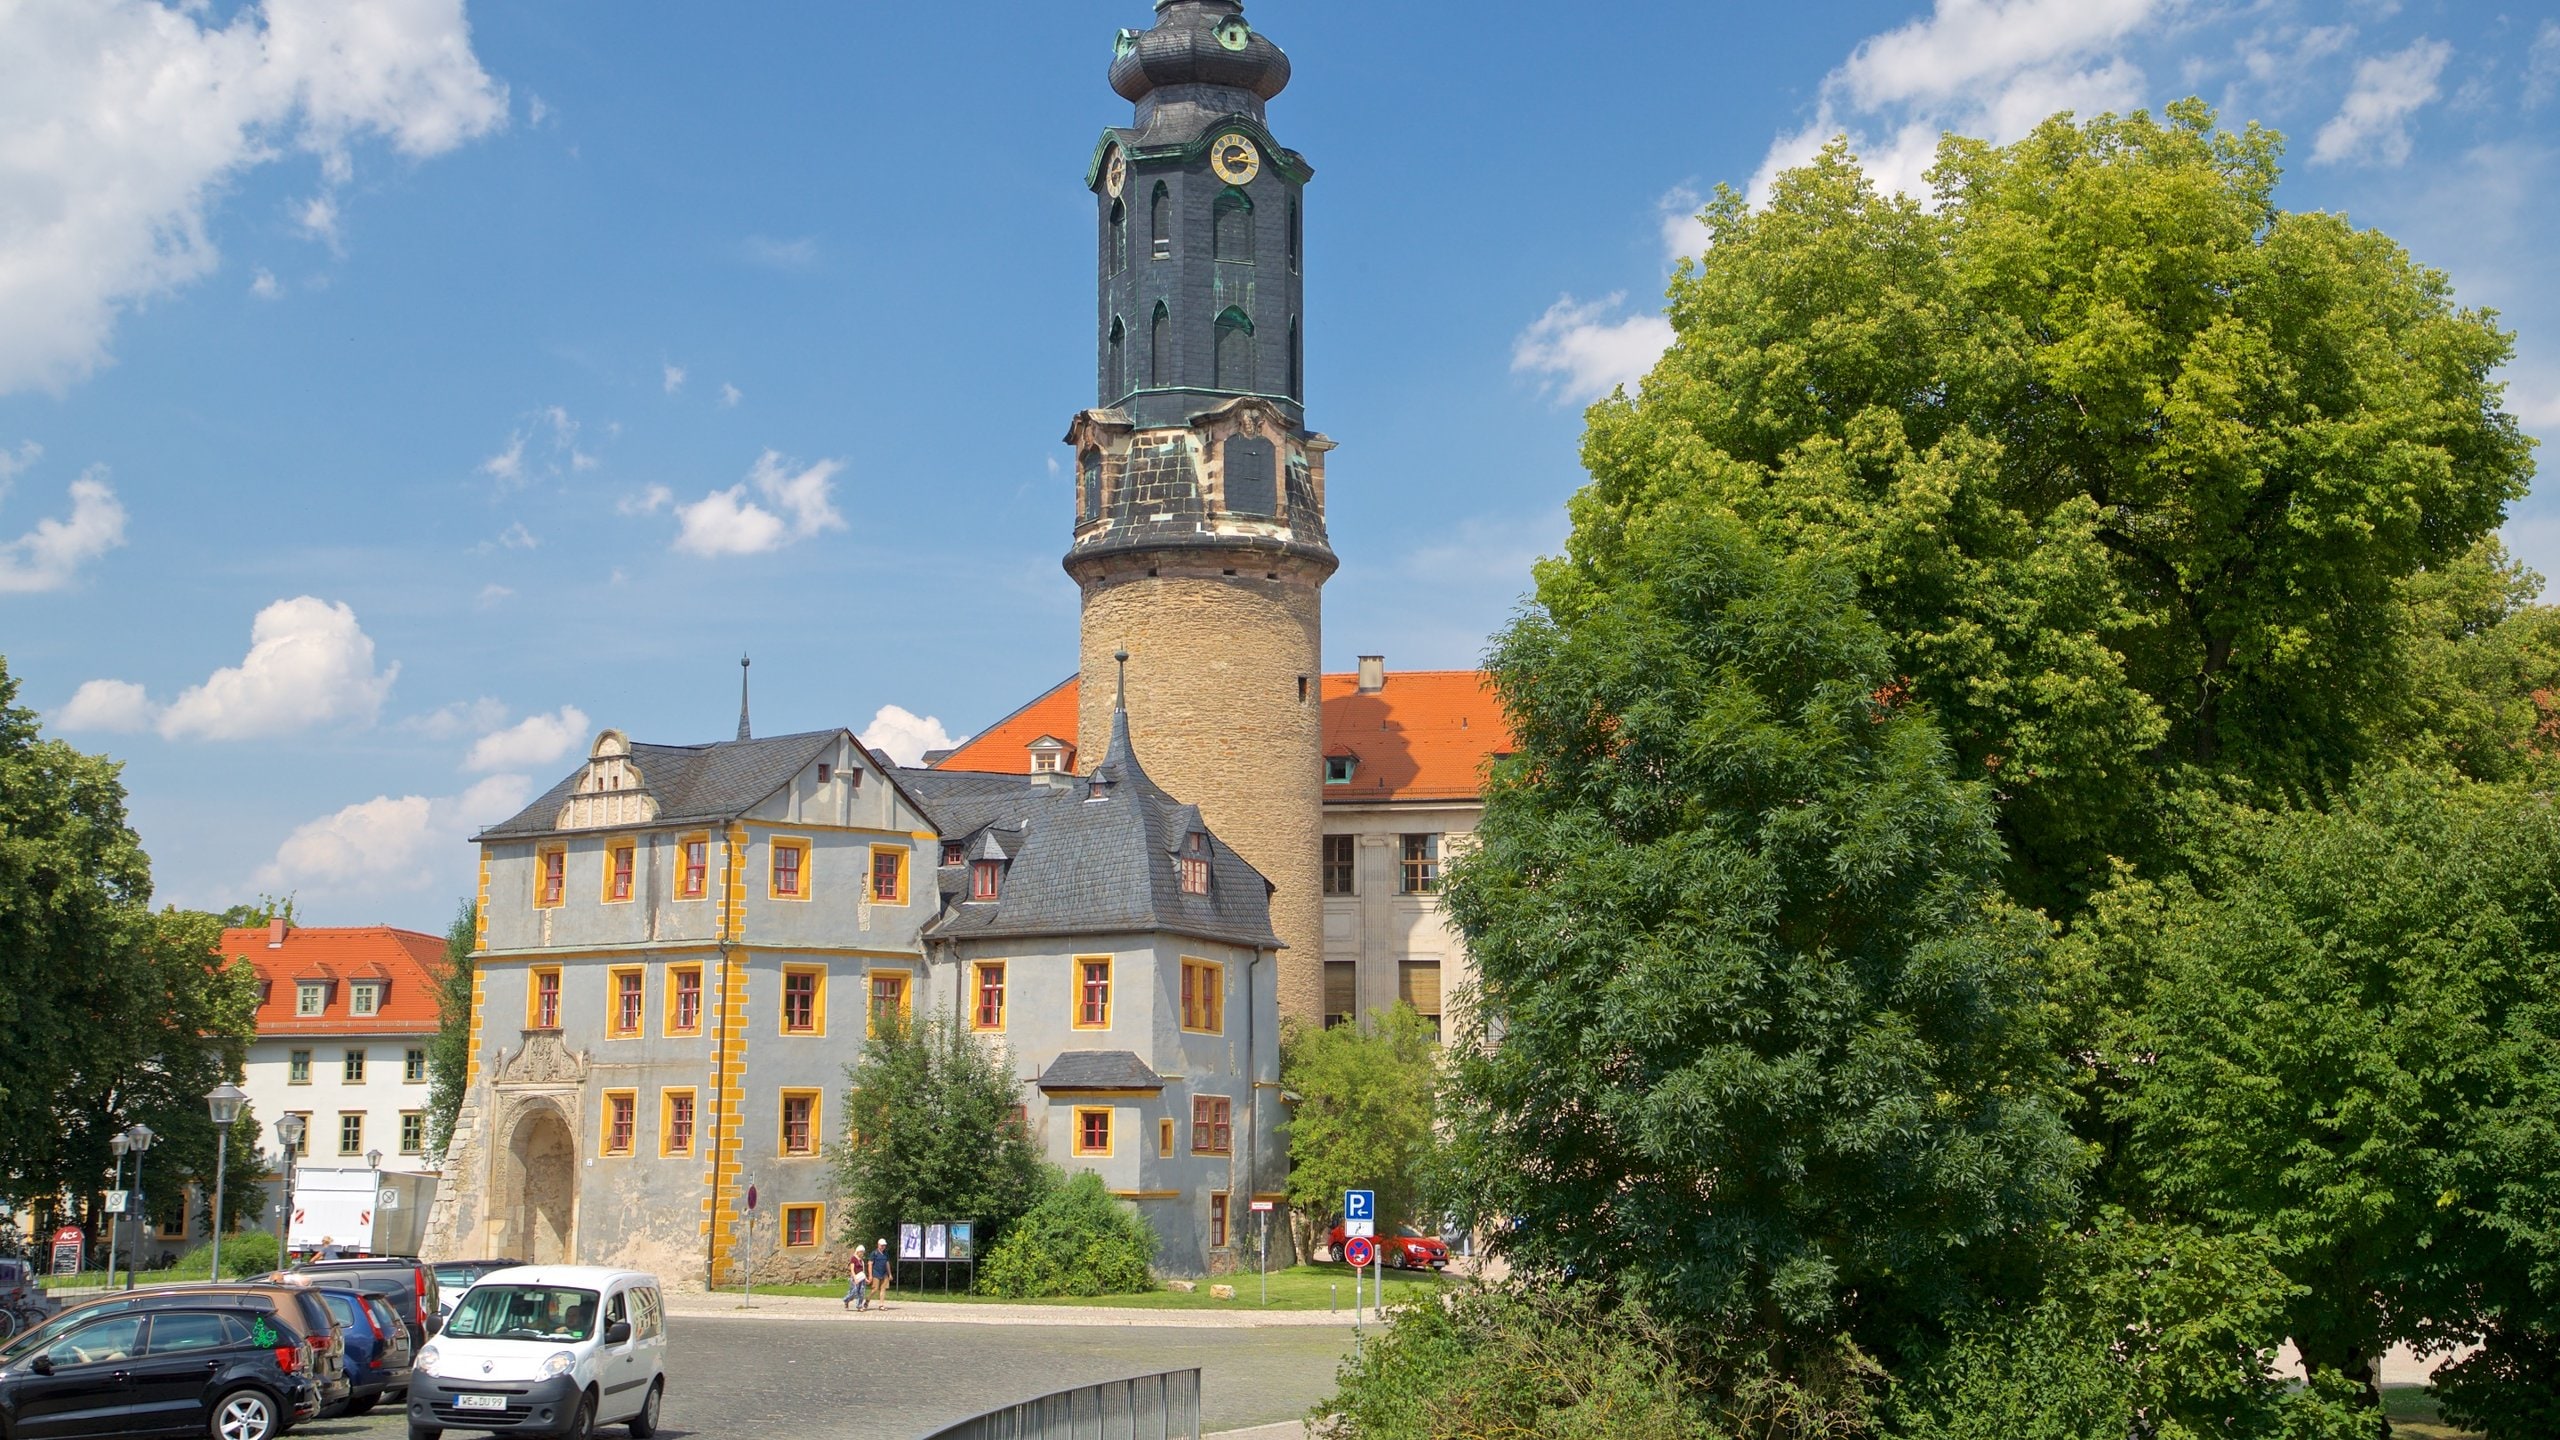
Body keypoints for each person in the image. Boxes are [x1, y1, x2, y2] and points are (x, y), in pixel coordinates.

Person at [868, 1239, 891, 1309]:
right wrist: (870, 1275)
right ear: (878, 1245)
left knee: (883, 1289)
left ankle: (881, 1304)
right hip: (876, 1273)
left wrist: (890, 1274)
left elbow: (887, 1263)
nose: (883, 1247)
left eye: (884, 1245)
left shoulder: (886, 1253)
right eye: (882, 1245)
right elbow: (870, 1264)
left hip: (884, 1274)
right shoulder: (874, 1253)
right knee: (875, 1289)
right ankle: (868, 1299)